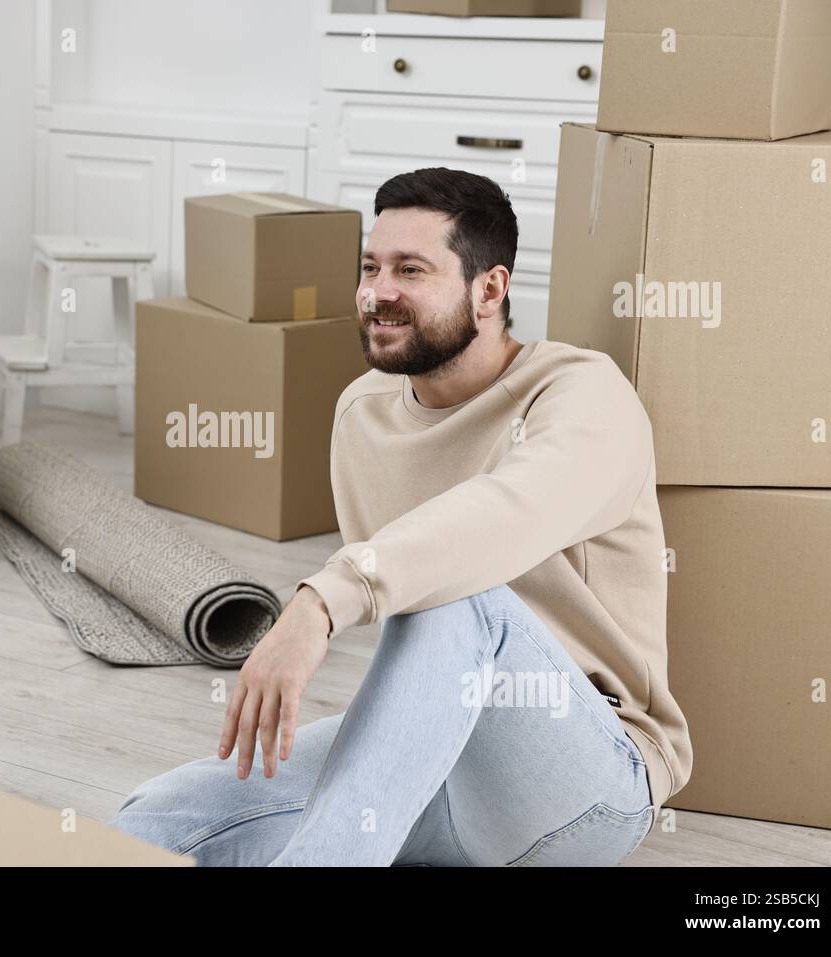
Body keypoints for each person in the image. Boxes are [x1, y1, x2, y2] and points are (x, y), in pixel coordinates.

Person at [108, 167, 692, 866]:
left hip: (588, 776)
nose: (378, 291)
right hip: (442, 768)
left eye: (411, 269)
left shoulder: (582, 395)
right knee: (164, 815)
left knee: (453, 600)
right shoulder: (362, 413)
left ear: (490, 289)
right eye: (370, 266)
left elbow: (500, 517)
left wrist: (321, 600)